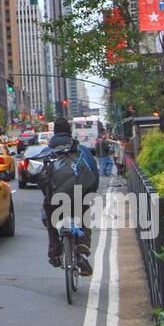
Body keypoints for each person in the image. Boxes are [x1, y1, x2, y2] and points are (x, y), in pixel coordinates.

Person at [40, 118, 98, 277]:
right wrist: (91, 192)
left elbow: (40, 177)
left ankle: (55, 253)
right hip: (79, 195)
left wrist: (47, 194)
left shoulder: (47, 151)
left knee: (50, 219)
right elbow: (93, 173)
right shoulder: (82, 150)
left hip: (55, 199)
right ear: (70, 131)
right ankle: (82, 252)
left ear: (55, 132)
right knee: (85, 219)